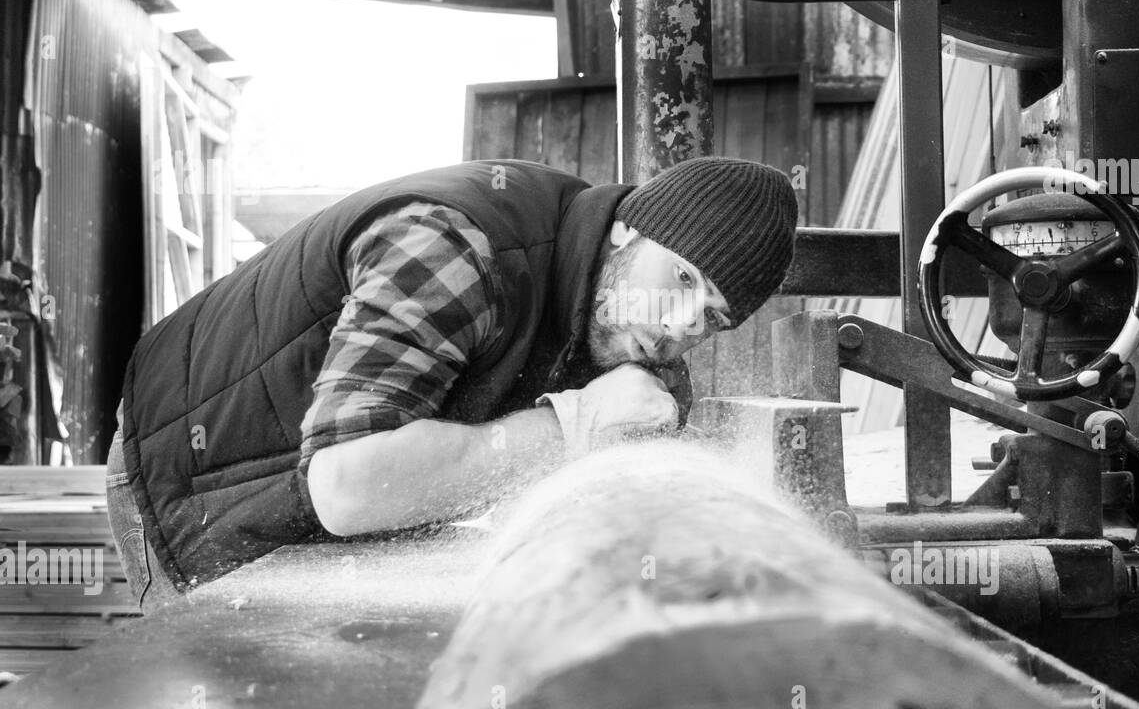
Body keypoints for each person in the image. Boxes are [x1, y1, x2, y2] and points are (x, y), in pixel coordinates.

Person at [105, 156, 799, 612]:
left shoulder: (624, 317)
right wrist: (575, 429)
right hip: (190, 478)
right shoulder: (453, 247)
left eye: (711, 316)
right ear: (626, 230)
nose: (676, 326)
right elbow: (347, 489)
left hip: (316, 501)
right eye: (680, 279)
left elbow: (652, 410)